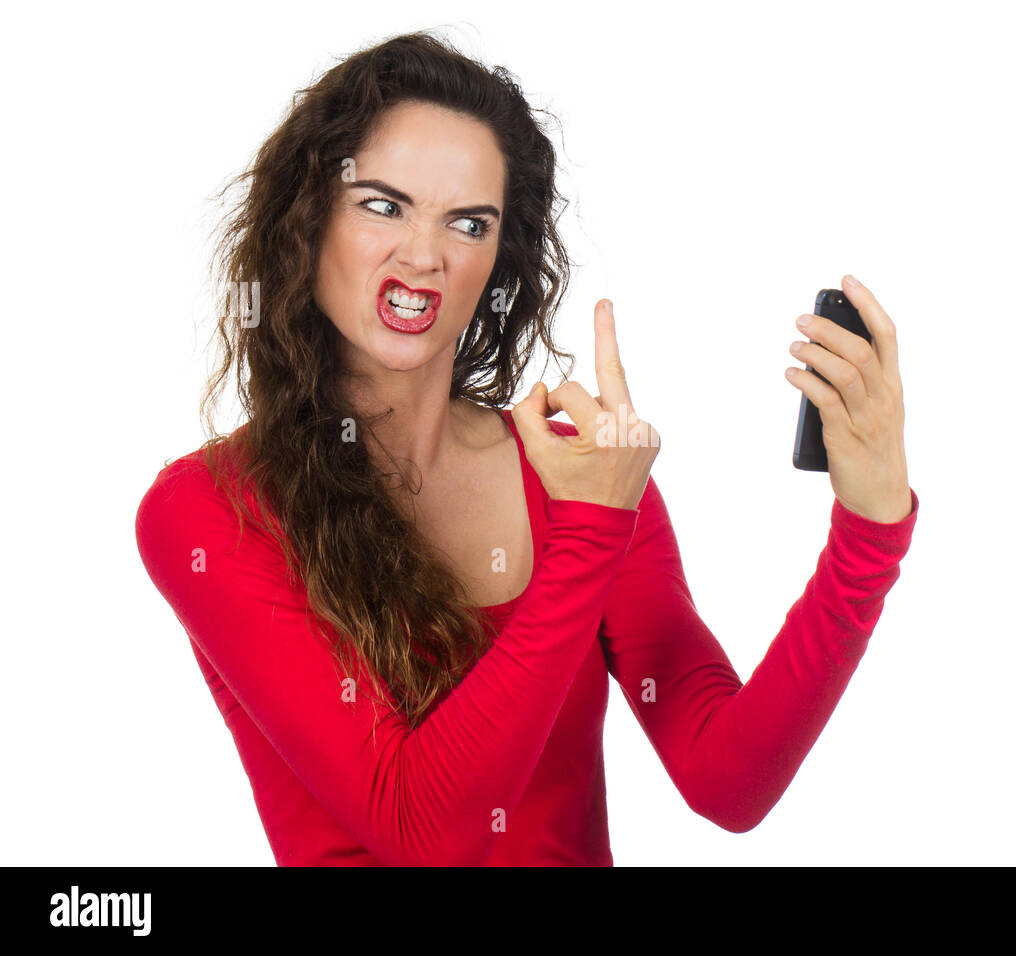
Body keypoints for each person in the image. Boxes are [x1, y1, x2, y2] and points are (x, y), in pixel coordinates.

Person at [134, 30, 919, 866]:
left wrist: (869, 531)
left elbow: (726, 781)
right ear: (309, 220)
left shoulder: (579, 476)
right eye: (382, 204)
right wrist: (587, 538)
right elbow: (421, 830)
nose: (424, 256)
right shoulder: (207, 510)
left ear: (499, 261)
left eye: (468, 223)